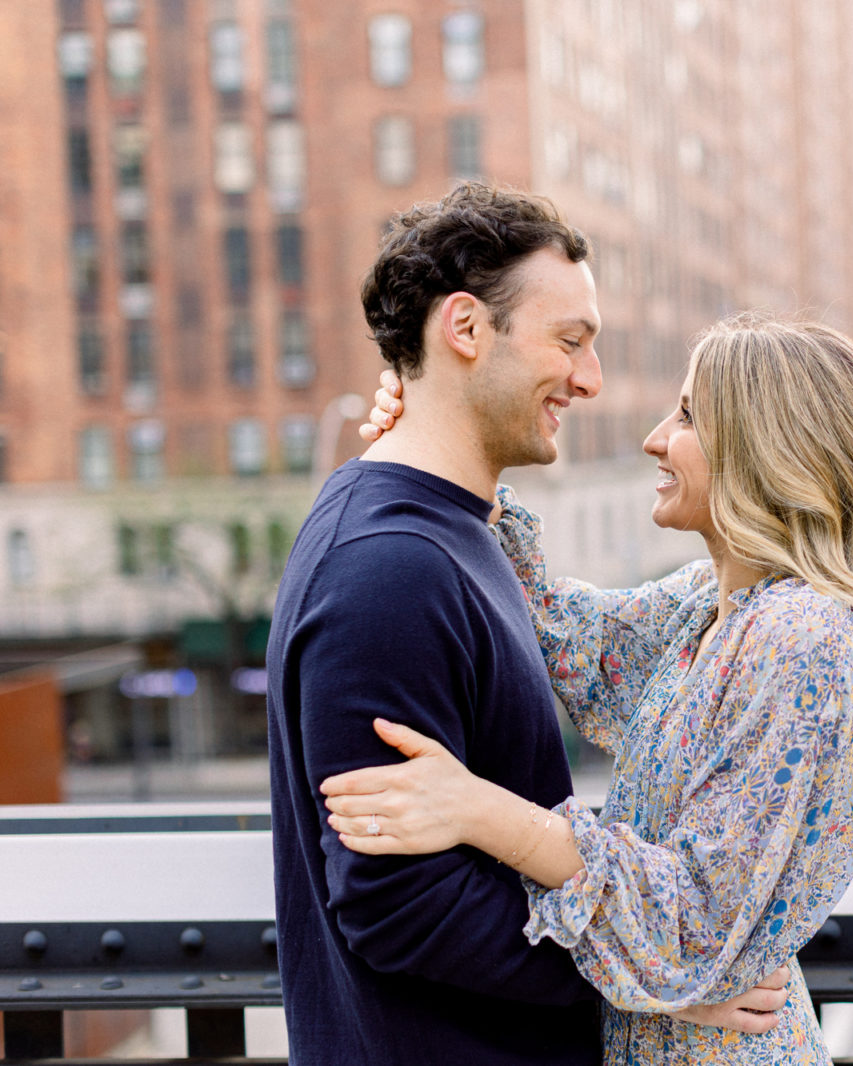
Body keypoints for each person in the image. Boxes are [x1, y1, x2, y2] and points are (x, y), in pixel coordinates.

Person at [321, 314, 853, 1063]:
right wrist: (435, 447)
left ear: (768, 448)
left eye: (687, 417)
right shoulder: (710, 604)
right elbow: (568, 639)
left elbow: (692, 921)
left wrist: (477, 810)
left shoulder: (803, 638)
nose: (656, 439)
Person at [266, 183, 786, 1066]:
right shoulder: (389, 569)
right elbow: (397, 906)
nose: (590, 379)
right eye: (569, 341)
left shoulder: (450, 532)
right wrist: (655, 975)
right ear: (466, 329)